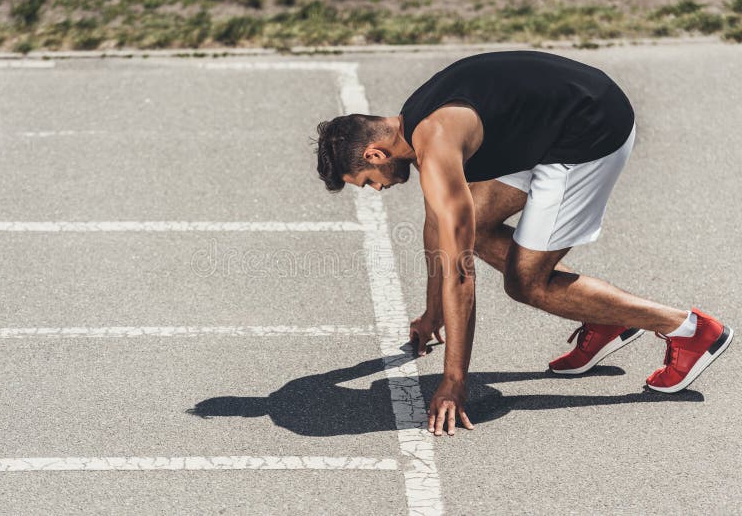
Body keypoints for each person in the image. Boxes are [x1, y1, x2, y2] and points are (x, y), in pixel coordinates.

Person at [314, 51, 733, 437]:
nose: (375, 189)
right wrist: (431, 313)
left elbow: (460, 273)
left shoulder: (437, 146)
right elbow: (435, 227)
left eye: (368, 182)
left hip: (591, 131)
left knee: (526, 282)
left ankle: (689, 329)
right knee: (469, 227)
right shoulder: (414, 127)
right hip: (556, 121)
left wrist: (454, 380)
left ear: (373, 154)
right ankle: (605, 317)